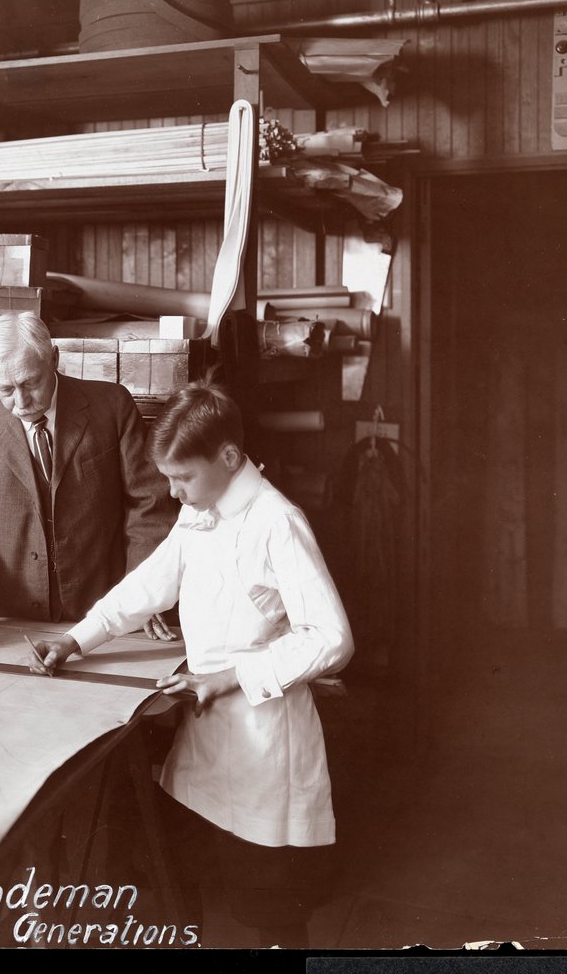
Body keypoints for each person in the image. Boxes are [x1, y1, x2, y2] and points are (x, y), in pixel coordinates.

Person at [28, 381, 354, 947]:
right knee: (185, 877)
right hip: (205, 742)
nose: (174, 494)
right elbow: (151, 583)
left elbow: (332, 637)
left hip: (265, 743)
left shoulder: (277, 521)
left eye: (183, 478)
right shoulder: (201, 511)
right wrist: (77, 639)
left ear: (229, 457)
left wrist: (229, 677)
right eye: (169, 479)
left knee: (271, 907)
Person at [0, 311, 177, 639]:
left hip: (106, 614)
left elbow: (150, 507)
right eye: (6, 390)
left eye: (30, 383)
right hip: (13, 619)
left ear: (54, 358)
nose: (22, 402)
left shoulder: (111, 408)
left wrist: (143, 594)